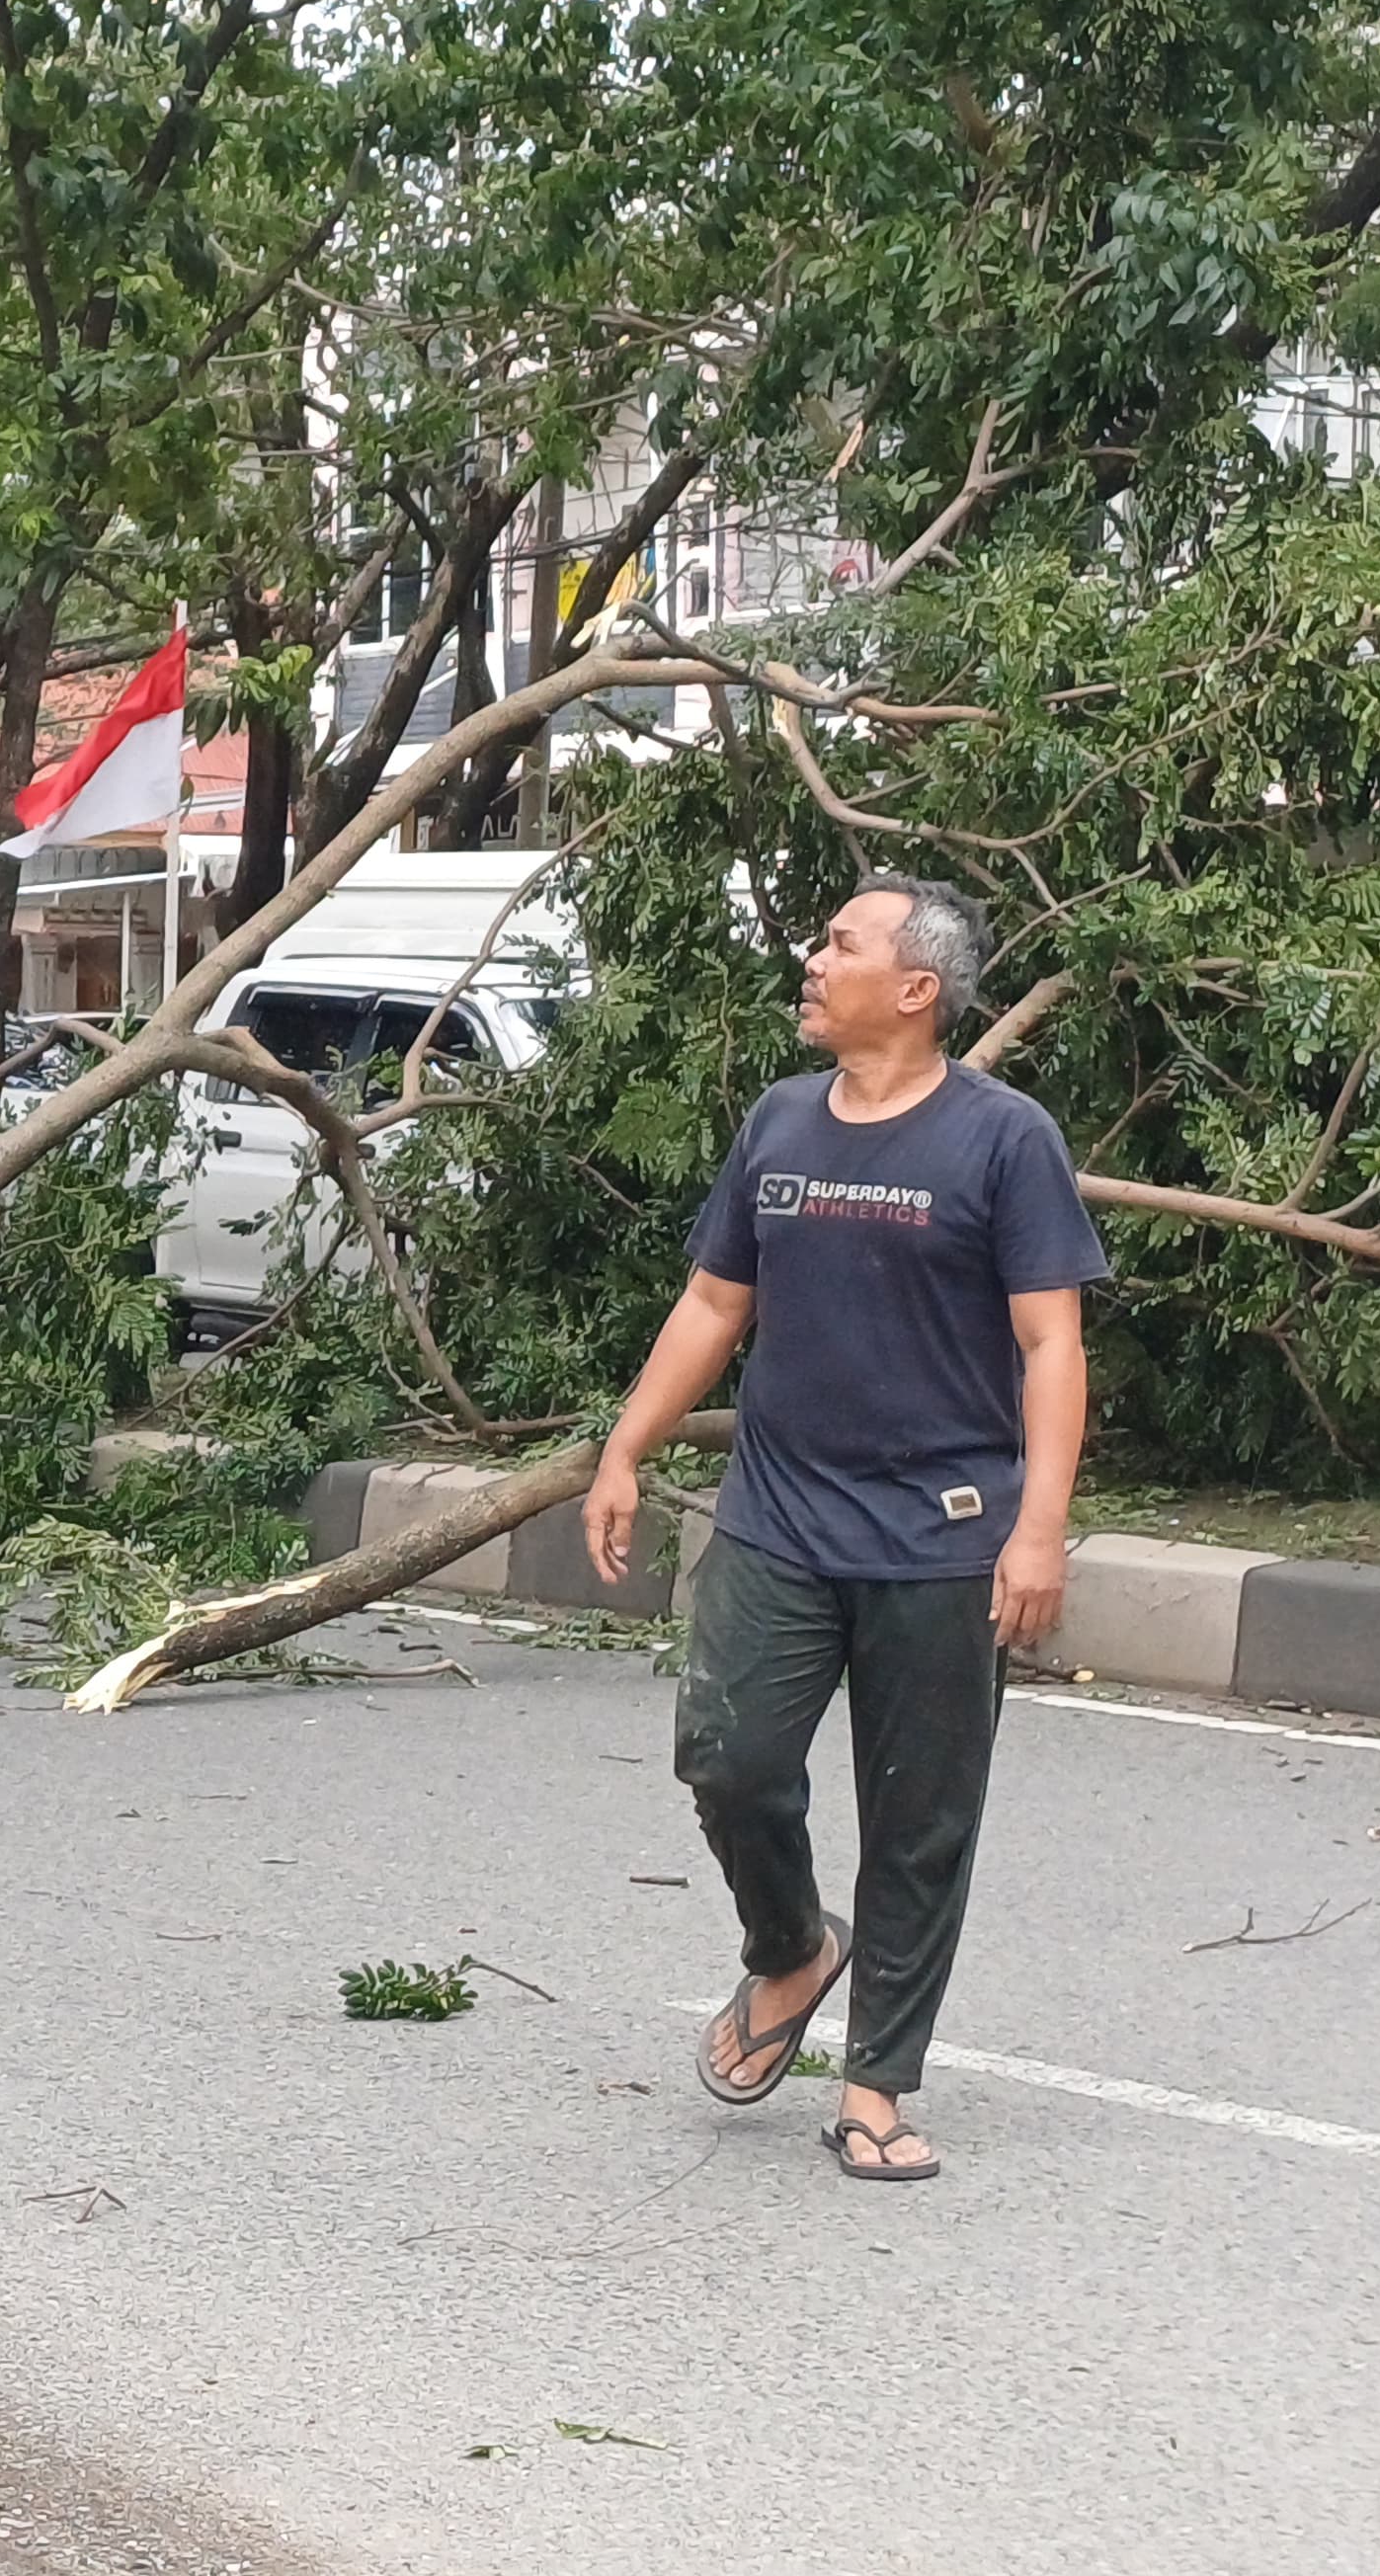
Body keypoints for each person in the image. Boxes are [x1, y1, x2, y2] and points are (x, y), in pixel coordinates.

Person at [581, 875, 1106, 2185]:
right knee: (728, 1756)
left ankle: (876, 2081)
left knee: (919, 1815)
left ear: (915, 988)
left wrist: (1040, 1528)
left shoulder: (1003, 1140)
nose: (814, 962)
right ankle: (789, 1950)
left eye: (841, 945)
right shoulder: (780, 1123)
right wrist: (625, 1446)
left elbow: (1051, 1342)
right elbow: (714, 1301)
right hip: (780, 1515)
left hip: (945, 1532)